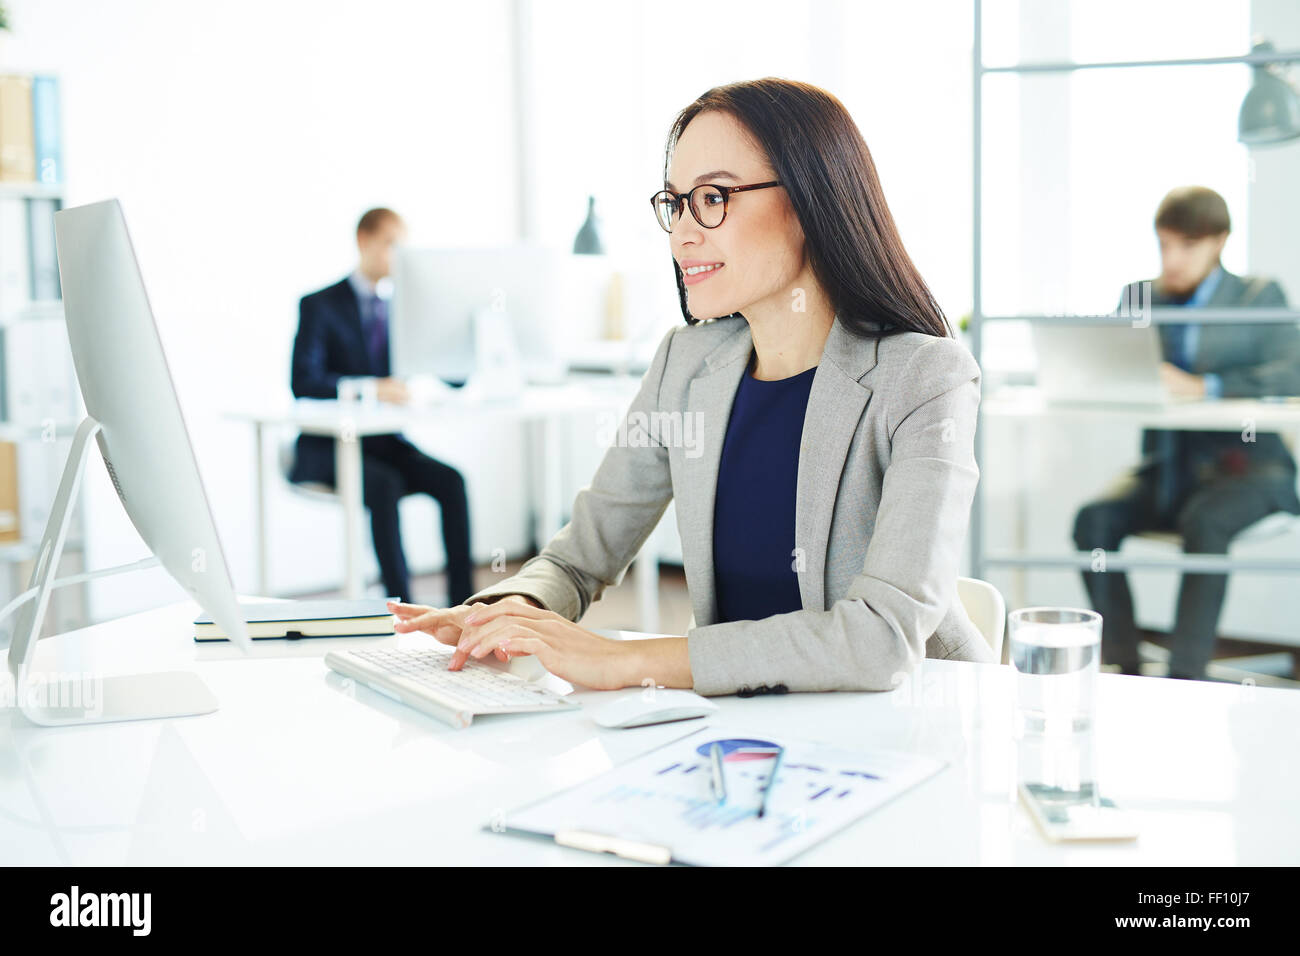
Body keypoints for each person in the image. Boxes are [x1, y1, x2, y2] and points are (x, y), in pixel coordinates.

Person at [389, 78, 995, 695]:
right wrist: (510, 609)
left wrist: (626, 659)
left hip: (921, 723)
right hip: (745, 735)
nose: (682, 233)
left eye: (713, 197)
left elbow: (879, 640)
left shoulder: (925, 378)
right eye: (675, 203)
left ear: (812, 202)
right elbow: (580, 557)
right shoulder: (687, 362)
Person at [1073, 186, 1300, 680]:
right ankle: (1126, 665)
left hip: (1252, 471)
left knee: (1205, 523)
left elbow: (1290, 374)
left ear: (1219, 241)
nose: (1171, 259)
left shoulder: (1260, 295)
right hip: (1169, 468)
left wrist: (1203, 387)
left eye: (1186, 246)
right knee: (1092, 524)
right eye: (1164, 245)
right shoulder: (1138, 297)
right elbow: (1110, 369)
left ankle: (1186, 675)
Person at [289, 207, 474, 606]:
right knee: (384, 485)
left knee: (451, 481)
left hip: (383, 444)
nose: (398, 256)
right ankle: (402, 609)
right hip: (326, 446)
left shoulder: (401, 311)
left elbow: (450, 373)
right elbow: (303, 381)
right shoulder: (319, 305)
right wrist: (371, 389)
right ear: (364, 241)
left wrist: (459, 326)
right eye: (391, 245)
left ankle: (465, 606)